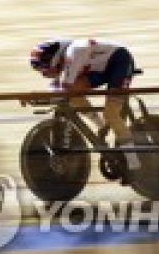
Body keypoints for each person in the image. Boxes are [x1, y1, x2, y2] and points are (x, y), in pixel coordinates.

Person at [29, 38, 141, 175]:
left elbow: (64, 89)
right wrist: (37, 97)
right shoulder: (64, 58)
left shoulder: (73, 54)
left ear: (54, 59)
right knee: (75, 95)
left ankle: (135, 166)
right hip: (101, 68)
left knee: (111, 114)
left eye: (44, 69)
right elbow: (56, 87)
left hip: (120, 63)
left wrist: (40, 98)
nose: (43, 74)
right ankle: (101, 127)